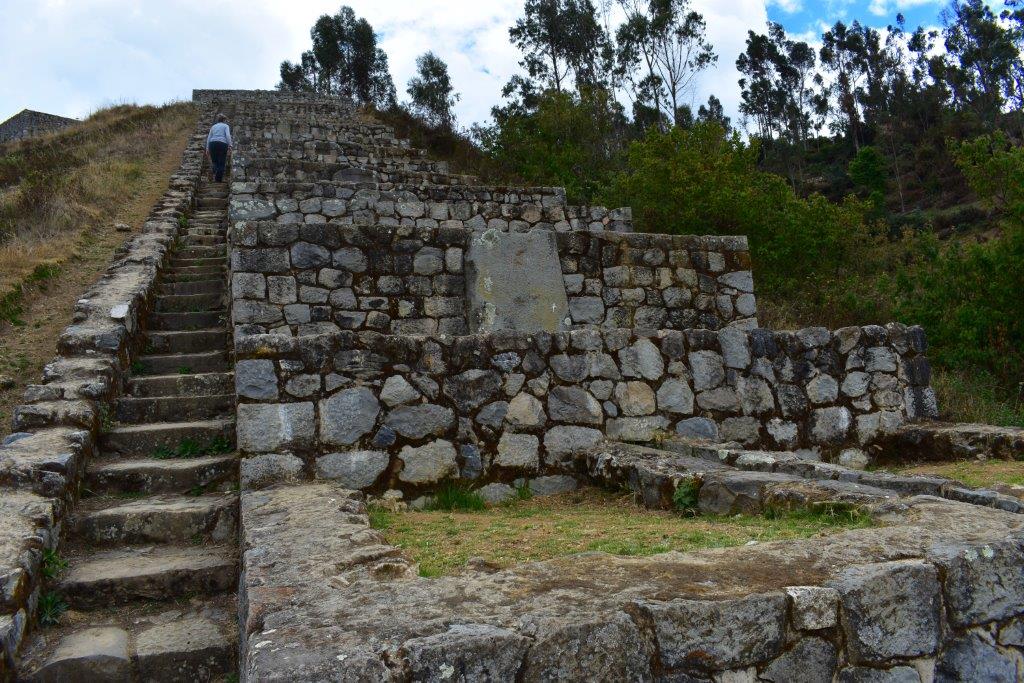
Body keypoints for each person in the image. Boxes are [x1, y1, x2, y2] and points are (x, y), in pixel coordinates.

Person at [205, 114, 232, 182]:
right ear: (224, 120)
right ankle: (218, 180)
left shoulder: (213, 127)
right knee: (221, 162)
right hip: (222, 144)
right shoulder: (226, 126)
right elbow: (228, 136)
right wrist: (230, 145)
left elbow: (209, 137)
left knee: (214, 161)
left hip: (212, 144)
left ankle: (213, 171)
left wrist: (207, 148)